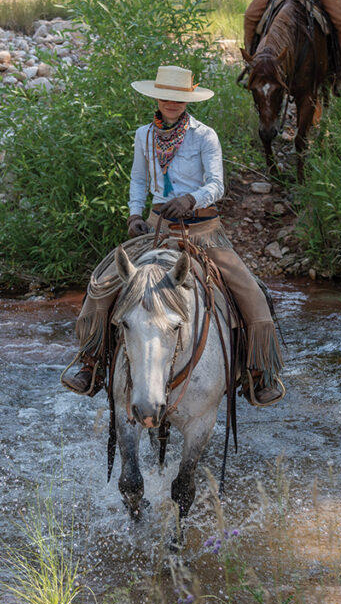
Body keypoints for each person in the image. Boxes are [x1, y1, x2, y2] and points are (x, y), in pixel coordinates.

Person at [61, 64, 285, 407]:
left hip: (203, 231)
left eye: (180, 98)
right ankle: (90, 363)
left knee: (250, 292)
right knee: (102, 284)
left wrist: (191, 199)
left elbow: (217, 184)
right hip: (157, 230)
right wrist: (136, 214)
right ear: (158, 97)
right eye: (167, 97)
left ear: (187, 100)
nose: (173, 103)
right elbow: (138, 180)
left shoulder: (204, 135)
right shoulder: (144, 135)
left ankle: (259, 372)